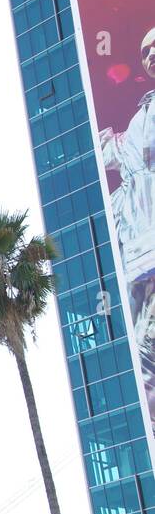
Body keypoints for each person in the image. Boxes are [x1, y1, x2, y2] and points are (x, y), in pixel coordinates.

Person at [101, 26, 155, 384]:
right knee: (140, 360)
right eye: (145, 53)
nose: (150, 56)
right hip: (138, 256)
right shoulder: (142, 116)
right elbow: (114, 152)